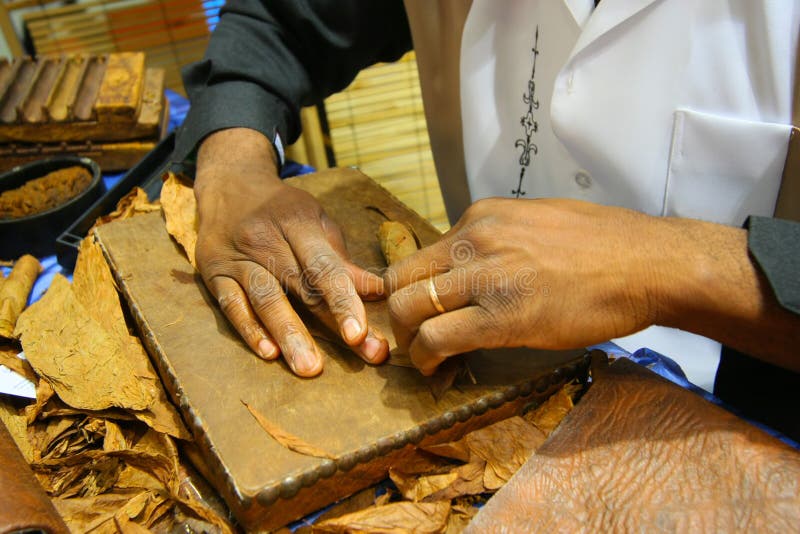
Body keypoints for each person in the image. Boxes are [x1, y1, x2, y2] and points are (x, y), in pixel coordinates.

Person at [175, 1, 800, 434]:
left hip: (753, 419)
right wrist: (232, 160)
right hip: (482, 386)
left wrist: (654, 268)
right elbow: (282, 22)